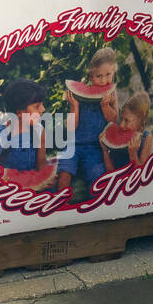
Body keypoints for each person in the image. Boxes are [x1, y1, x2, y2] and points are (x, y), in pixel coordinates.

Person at [56, 47, 120, 194]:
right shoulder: (78, 95)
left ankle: (96, 205)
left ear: (114, 72)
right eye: (98, 76)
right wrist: (74, 107)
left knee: (97, 176)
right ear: (91, 76)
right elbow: (71, 127)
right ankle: (59, 202)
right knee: (64, 171)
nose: (104, 80)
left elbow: (114, 120)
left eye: (108, 74)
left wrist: (105, 106)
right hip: (73, 144)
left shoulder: (112, 94)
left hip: (96, 147)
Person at [0, 79, 50, 175]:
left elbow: (41, 167)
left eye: (42, 104)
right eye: (37, 106)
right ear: (20, 112)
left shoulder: (39, 131)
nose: (43, 109)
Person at [101, 90, 153, 173]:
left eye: (127, 120)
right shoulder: (118, 133)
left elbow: (141, 175)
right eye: (121, 119)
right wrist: (105, 150)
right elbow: (110, 171)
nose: (121, 125)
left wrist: (133, 154)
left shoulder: (147, 138)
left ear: (140, 120)